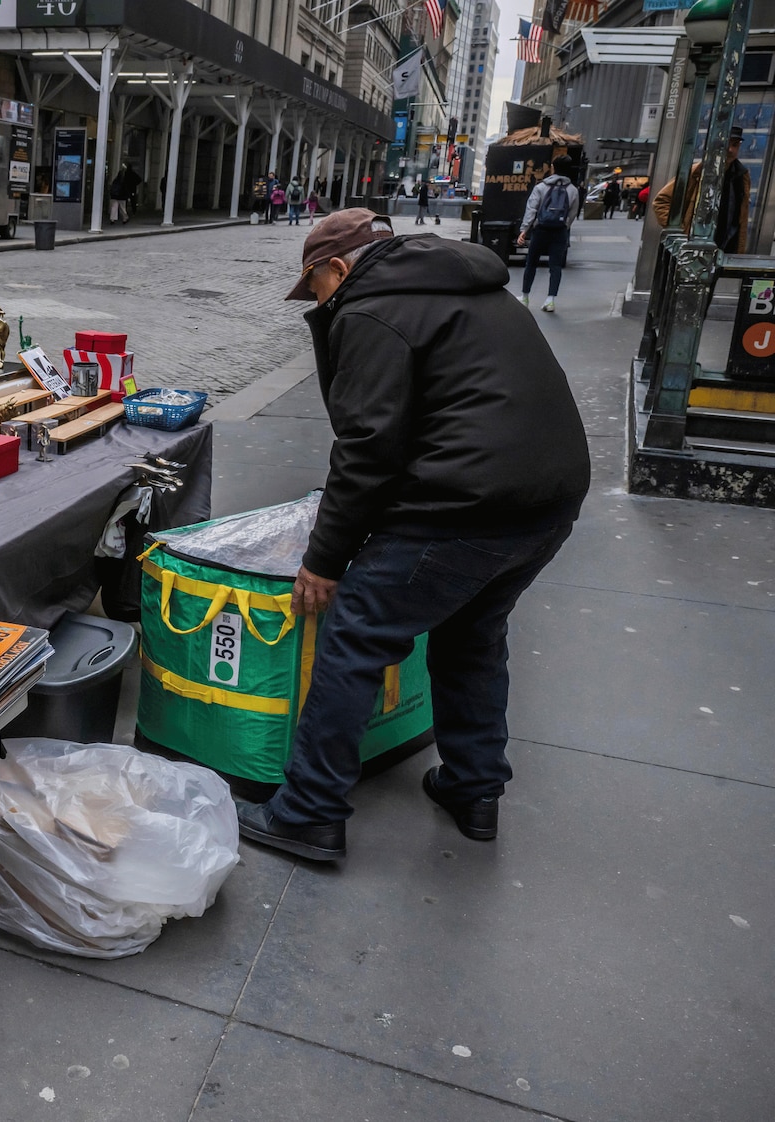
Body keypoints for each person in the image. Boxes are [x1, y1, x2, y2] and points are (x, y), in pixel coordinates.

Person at [235, 208, 589, 863]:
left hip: (464, 507)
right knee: (471, 634)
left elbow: (368, 449)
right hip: (547, 503)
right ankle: (473, 789)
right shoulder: (471, 286)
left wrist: (325, 560)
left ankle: (309, 811)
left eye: (312, 288)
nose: (314, 300)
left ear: (336, 269)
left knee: (356, 634)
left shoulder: (372, 309)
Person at [655, 128, 751, 253]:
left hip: (726, 249)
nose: (730, 149)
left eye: (735, 145)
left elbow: (740, 218)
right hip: (693, 249)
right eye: (726, 144)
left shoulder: (742, 176)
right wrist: (681, 234)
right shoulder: (697, 171)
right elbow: (661, 201)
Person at [518, 166, 581, 312]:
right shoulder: (573, 190)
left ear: (553, 168)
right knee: (555, 266)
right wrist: (565, 226)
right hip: (559, 231)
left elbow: (532, 209)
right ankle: (550, 300)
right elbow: (573, 213)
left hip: (541, 229)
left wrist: (524, 230)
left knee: (531, 263)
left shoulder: (541, 187)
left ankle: (525, 297)